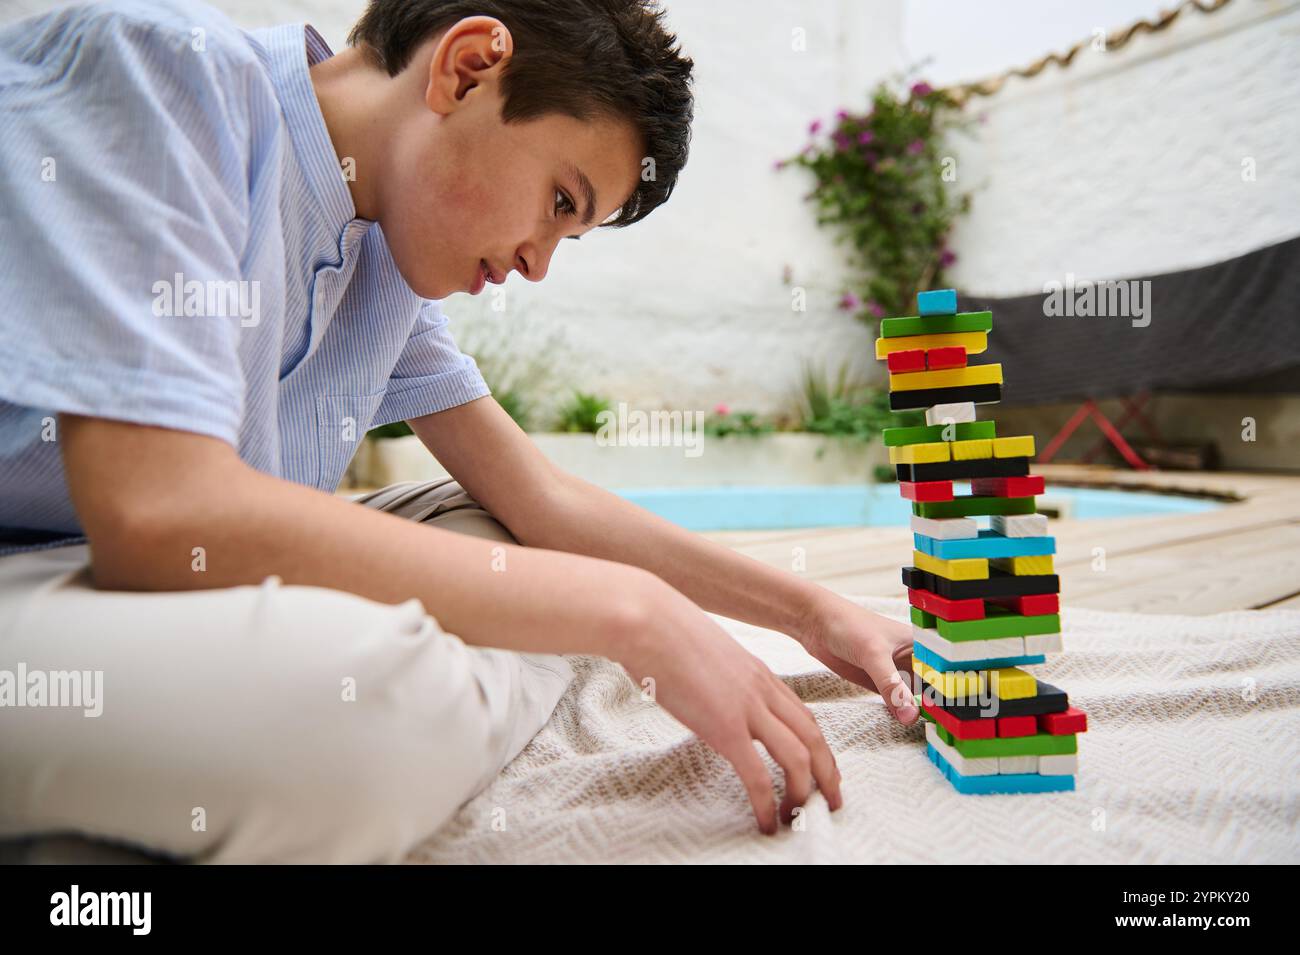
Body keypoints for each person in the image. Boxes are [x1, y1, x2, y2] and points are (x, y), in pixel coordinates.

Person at [0, 0, 916, 863]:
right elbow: (161, 513)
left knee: (506, 544)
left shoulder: (385, 253)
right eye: (562, 202)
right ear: (470, 69)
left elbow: (542, 499)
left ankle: (147, 786)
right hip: (50, 569)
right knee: (379, 694)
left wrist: (814, 613)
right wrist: (625, 615)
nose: (539, 263)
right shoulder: (163, 69)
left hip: (152, 600)